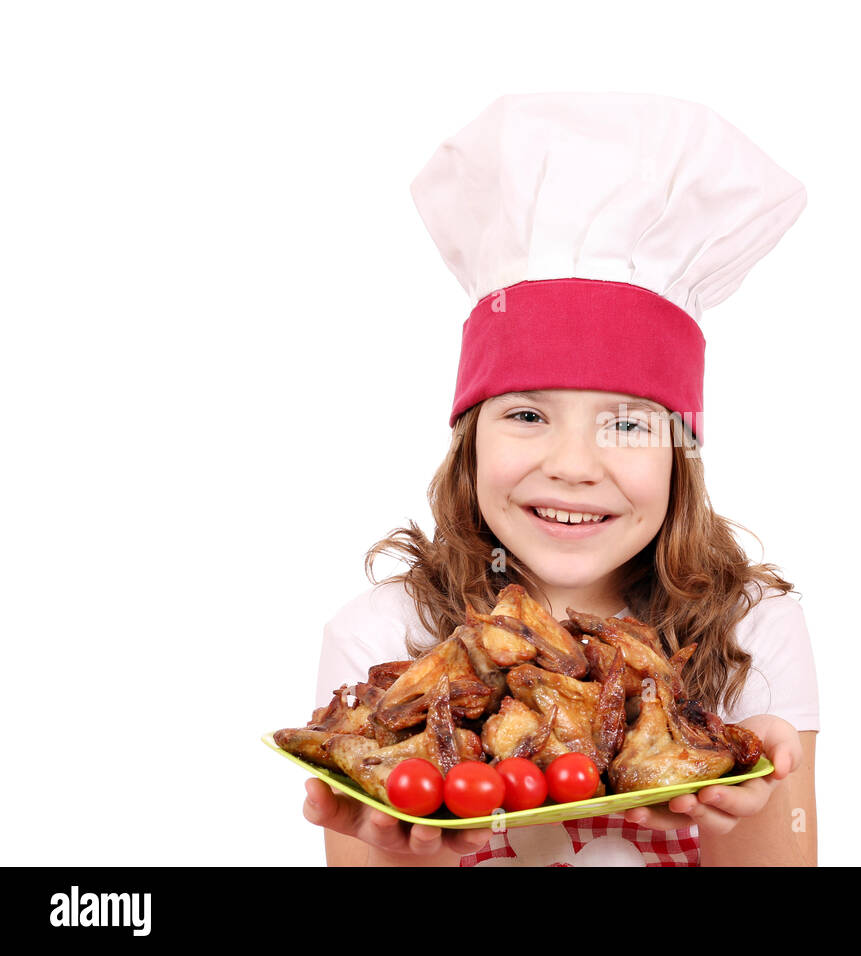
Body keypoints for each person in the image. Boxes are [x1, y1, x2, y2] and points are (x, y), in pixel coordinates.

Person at [299, 92, 819, 866]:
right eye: (528, 416)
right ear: (470, 443)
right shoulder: (380, 636)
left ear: (681, 456)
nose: (574, 466)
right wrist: (415, 846)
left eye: (629, 423)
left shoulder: (751, 633)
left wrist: (749, 793)